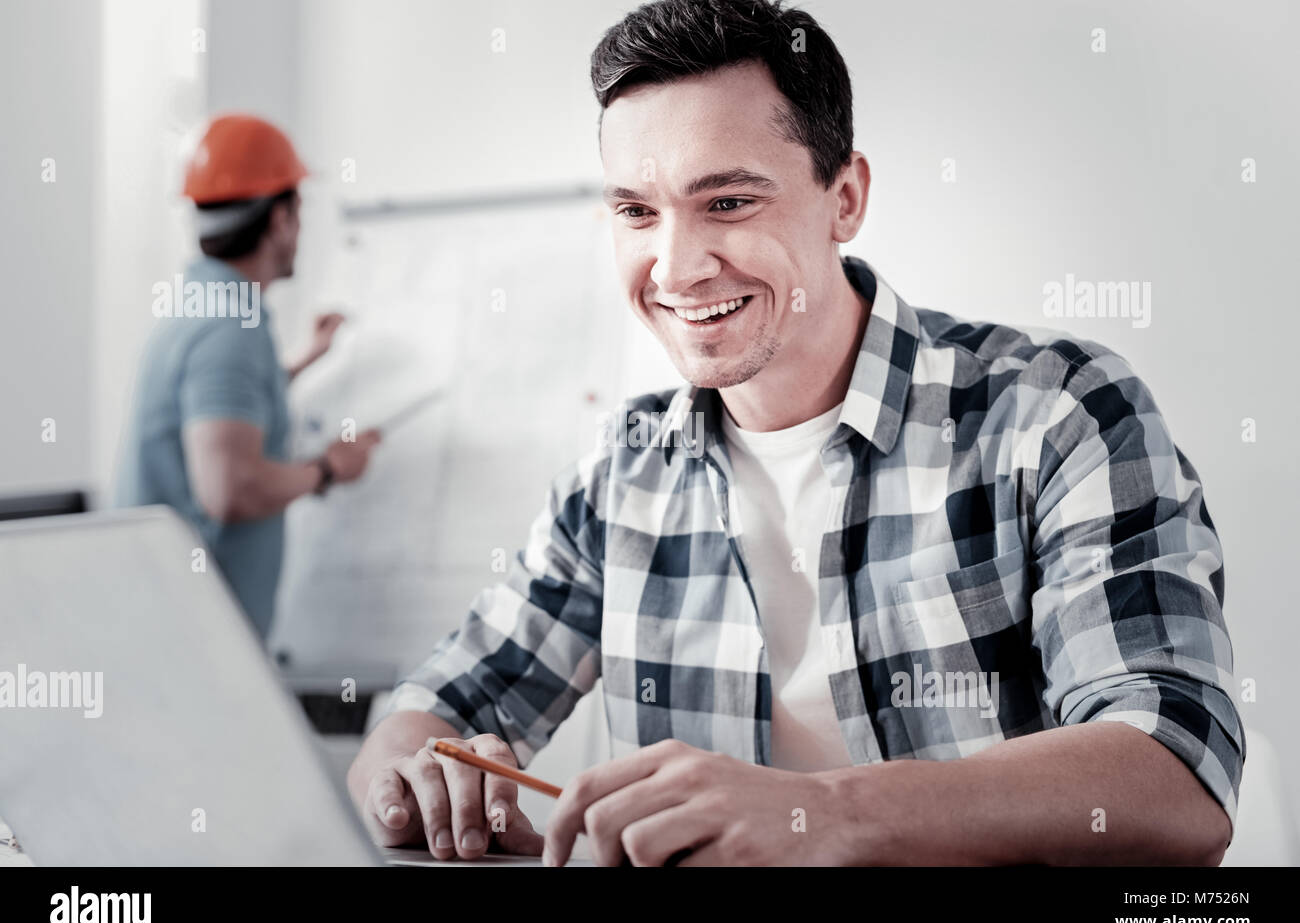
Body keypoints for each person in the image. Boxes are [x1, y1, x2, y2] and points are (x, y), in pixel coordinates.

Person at [349, 0, 1243, 866]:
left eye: (728, 202)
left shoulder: (1056, 413)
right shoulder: (621, 474)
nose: (675, 265)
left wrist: (824, 814)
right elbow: (427, 711)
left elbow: (1175, 773)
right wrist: (414, 773)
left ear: (844, 197)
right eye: (635, 212)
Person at [116, 114, 380, 640]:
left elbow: (218, 411)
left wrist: (303, 362)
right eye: (299, 212)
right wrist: (328, 468)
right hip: (193, 646)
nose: (300, 229)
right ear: (280, 219)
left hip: (172, 631)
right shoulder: (228, 329)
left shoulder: (204, 308)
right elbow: (229, 489)